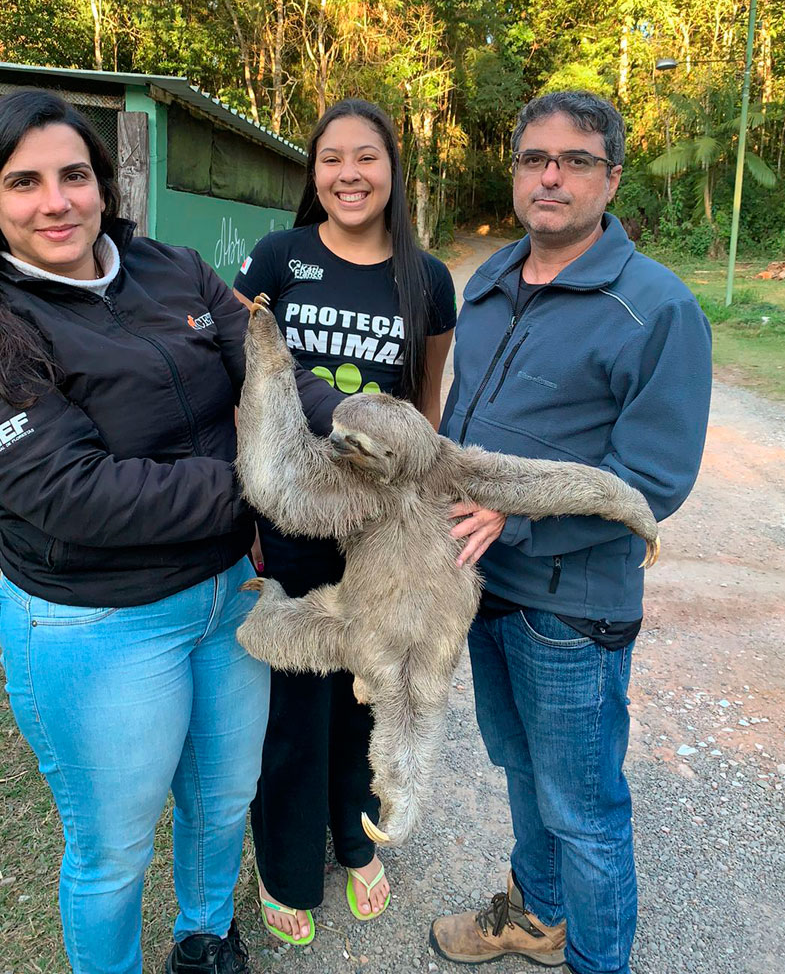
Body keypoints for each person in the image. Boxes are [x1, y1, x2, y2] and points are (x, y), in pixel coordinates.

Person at [0, 91, 340, 974]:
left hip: (228, 597)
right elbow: (72, 492)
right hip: (100, 623)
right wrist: (266, 482)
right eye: (24, 183)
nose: (57, 202)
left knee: (223, 799)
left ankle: (204, 938)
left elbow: (273, 376)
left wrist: (361, 428)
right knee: (114, 848)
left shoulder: (173, 269)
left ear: (103, 181)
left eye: (74, 175)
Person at [430, 91, 712, 974]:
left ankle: (598, 960)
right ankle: (539, 916)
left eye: (576, 161)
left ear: (611, 178)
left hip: (570, 610)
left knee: (584, 811)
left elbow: (653, 480)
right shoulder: (492, 281)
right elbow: (461, 425)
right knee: (520, 770)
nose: (551, 177)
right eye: (534, 159)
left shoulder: (656, 309)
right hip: (483, 587)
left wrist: (515, 515)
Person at [233, 98, 456, 945]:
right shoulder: (278, 257)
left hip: (378, 527)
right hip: (290, 513)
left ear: (393, 168)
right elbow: (242, 383)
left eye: (367, 157)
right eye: (332, 158)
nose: (349, 174)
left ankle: (357, 841)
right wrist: (251, 508)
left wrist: (423, 525)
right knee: (294, 702)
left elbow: (425, 410)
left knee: (370, 684)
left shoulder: (427, 280)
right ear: (314, 171)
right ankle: (287, 866)